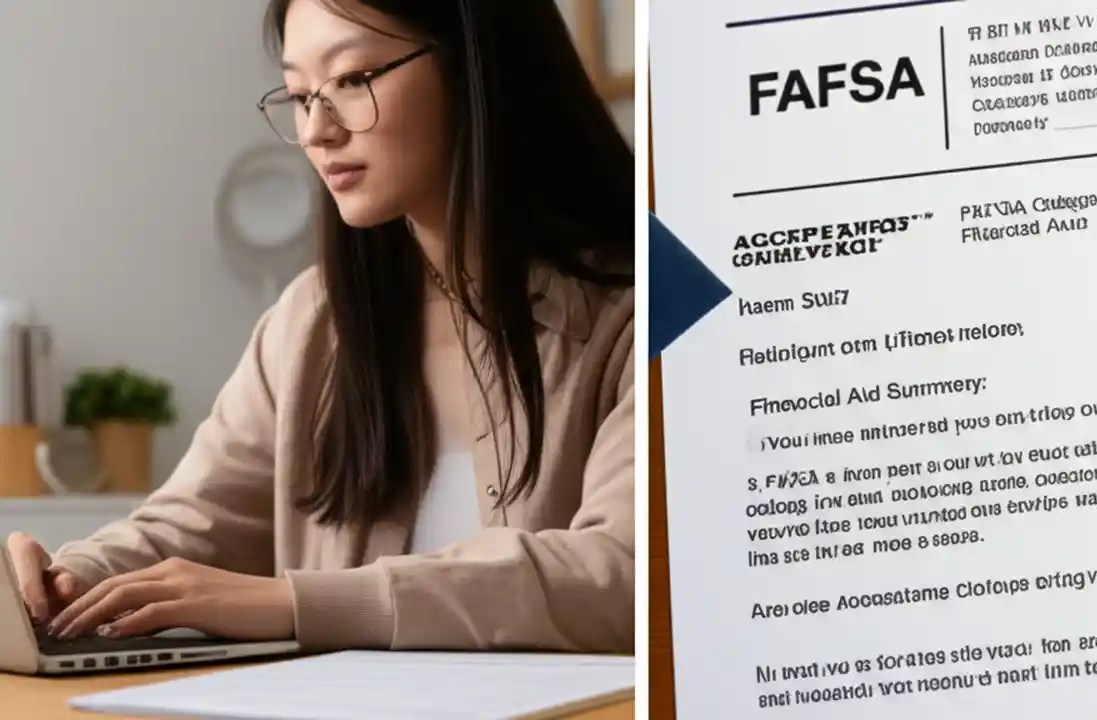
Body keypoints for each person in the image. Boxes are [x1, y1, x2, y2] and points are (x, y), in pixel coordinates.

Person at [6, 0, 634, 652]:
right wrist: (72, 580)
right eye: (301, 94)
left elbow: (624, 574)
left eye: (354, 79)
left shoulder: (642, 307)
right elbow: (194, 521)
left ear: (478, 66)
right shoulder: (310, 323)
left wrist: (294, 603)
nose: (316, 130)